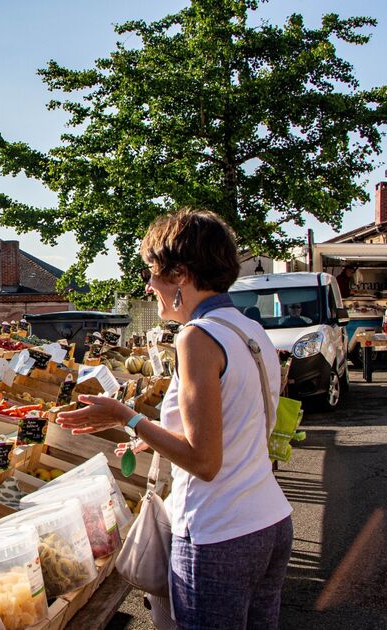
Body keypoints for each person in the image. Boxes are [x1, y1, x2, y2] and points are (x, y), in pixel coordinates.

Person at [56, 210, 292, 629]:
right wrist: (155, 435)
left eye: (152, 273)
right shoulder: (250, 330)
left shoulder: (197, 337)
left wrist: (127, 417)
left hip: (217, 533)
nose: (149, 287)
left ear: (180, 274)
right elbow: (240, 425)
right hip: (269, 522)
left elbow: (204, 462)